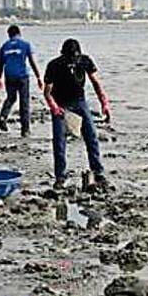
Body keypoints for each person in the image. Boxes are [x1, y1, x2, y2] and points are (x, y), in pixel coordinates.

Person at [43, 38, 111, 190]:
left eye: (74, 57)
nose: (72, 61)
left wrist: (104, 103)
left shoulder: (85, 61)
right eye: (69, 58)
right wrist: (53, 107)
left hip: (79, 101)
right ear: (63, 55)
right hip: (59, 103)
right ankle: (60, 177)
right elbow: (47, 92)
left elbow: (96, 83)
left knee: (92, 136)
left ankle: (98, 171)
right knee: (59, 142)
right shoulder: (54, 65)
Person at [0, 24, 42, 136]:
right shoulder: (25, 45)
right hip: (22, 76)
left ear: (9, 35)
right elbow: (32, 61)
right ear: (19, 33)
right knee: (24, 102)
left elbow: (1, 64)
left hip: (9, 76)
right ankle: (25, 130)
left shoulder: (4, 46)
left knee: (11, 98)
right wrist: (39, 77)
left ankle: (2, 116)